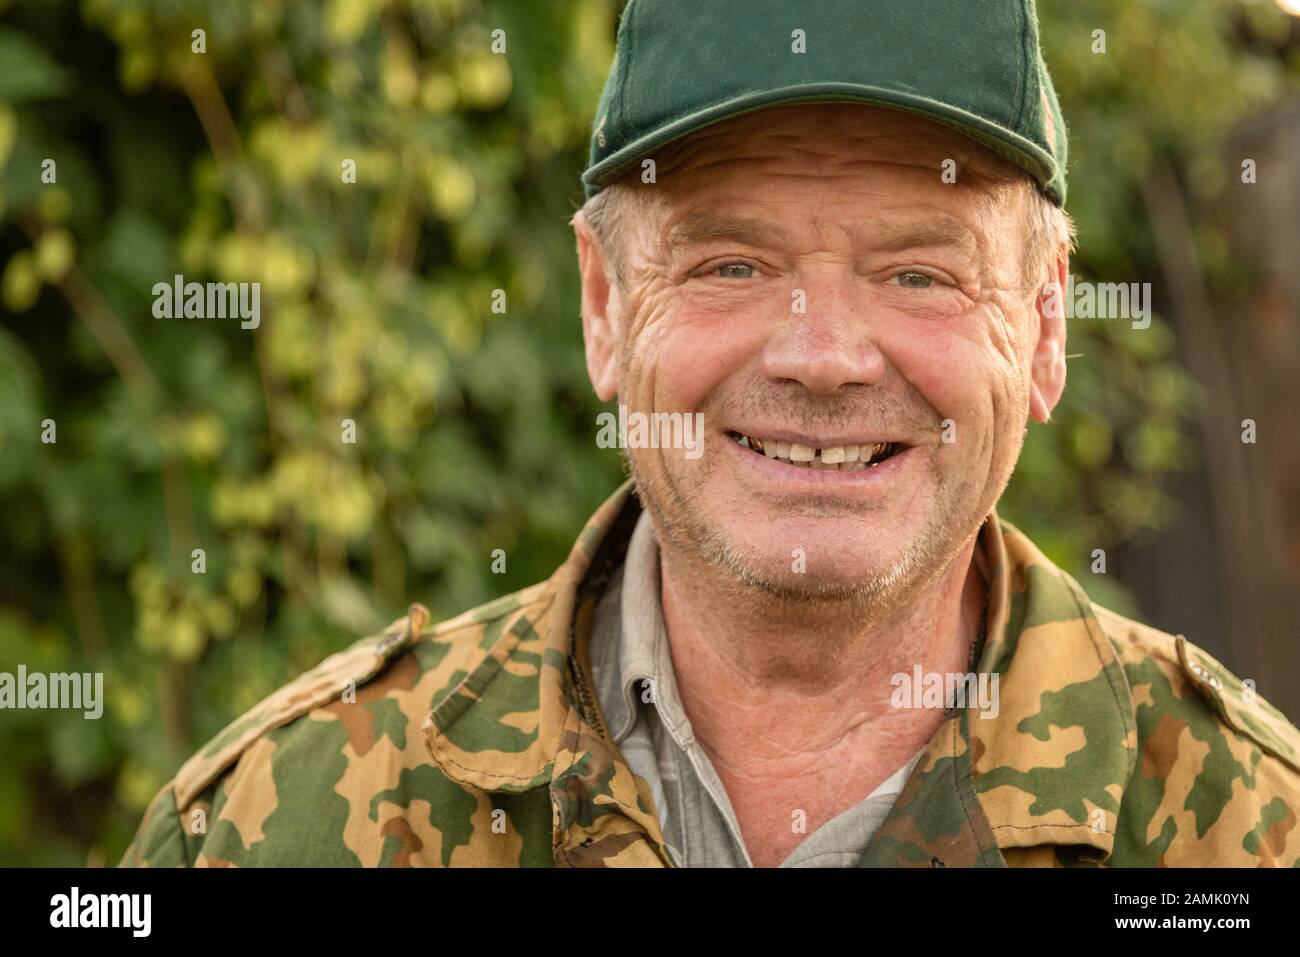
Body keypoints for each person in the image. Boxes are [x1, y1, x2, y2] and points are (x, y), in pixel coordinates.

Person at [122, 0, 1300, 868]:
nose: (823, 354)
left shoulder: (1247, 833)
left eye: (918, 272)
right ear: (602, 309)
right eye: (732, 263)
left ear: (1044, 329)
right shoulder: (274, 823)